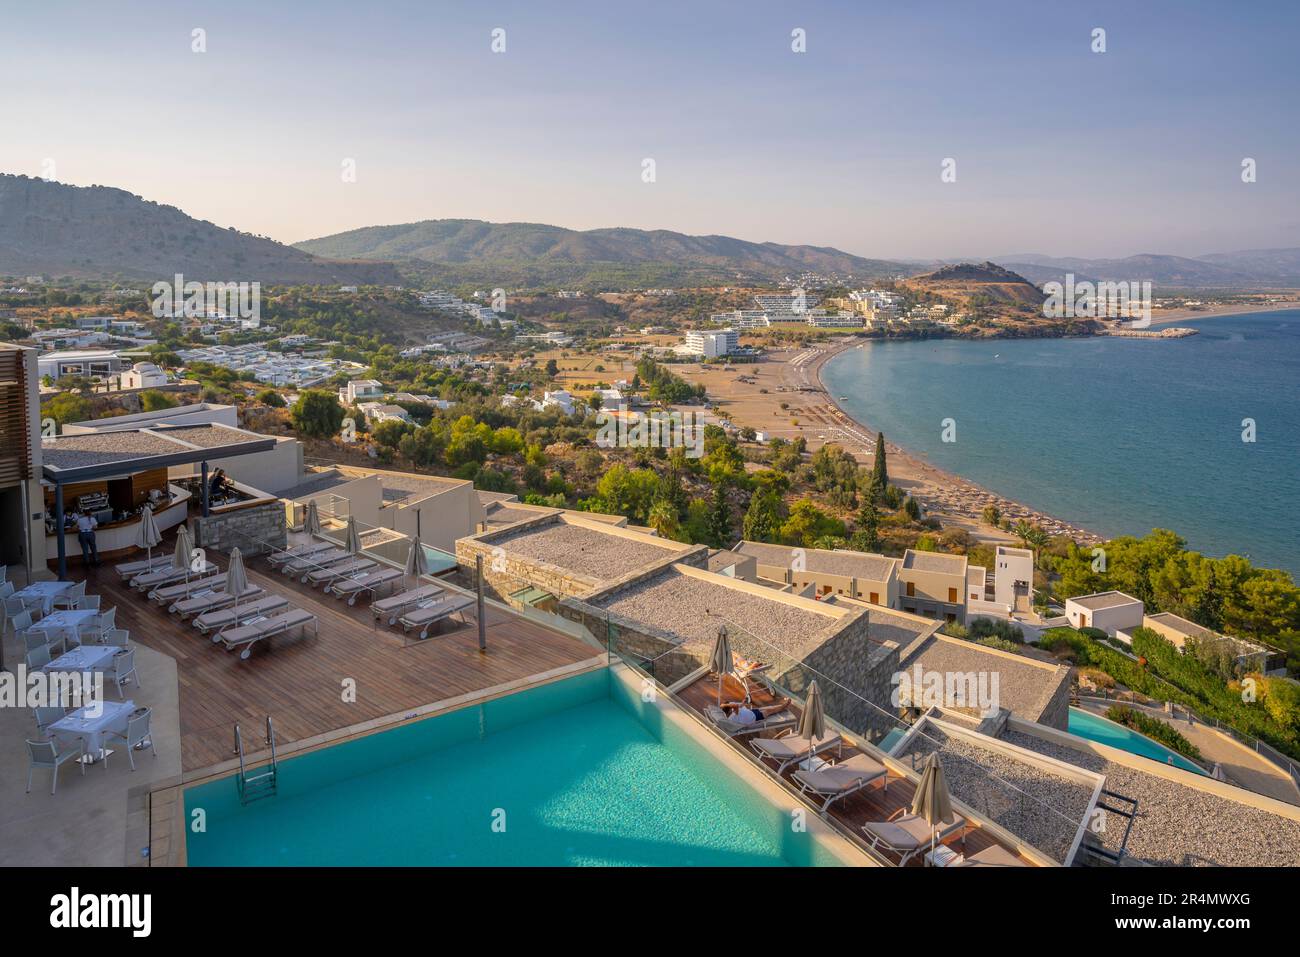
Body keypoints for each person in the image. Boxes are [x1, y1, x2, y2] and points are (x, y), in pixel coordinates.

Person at [721, 696, 790, 726]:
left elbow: (738, 707)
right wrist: (724, 705)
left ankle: (782, 706)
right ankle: (785, 705)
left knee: (768, 707)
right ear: (729, 709)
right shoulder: (732, 716)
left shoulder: (733, 713)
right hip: (755, 717)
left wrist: (743, 702)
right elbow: (735, 706)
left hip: (751, 713)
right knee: (771, 710)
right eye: (730, 705)